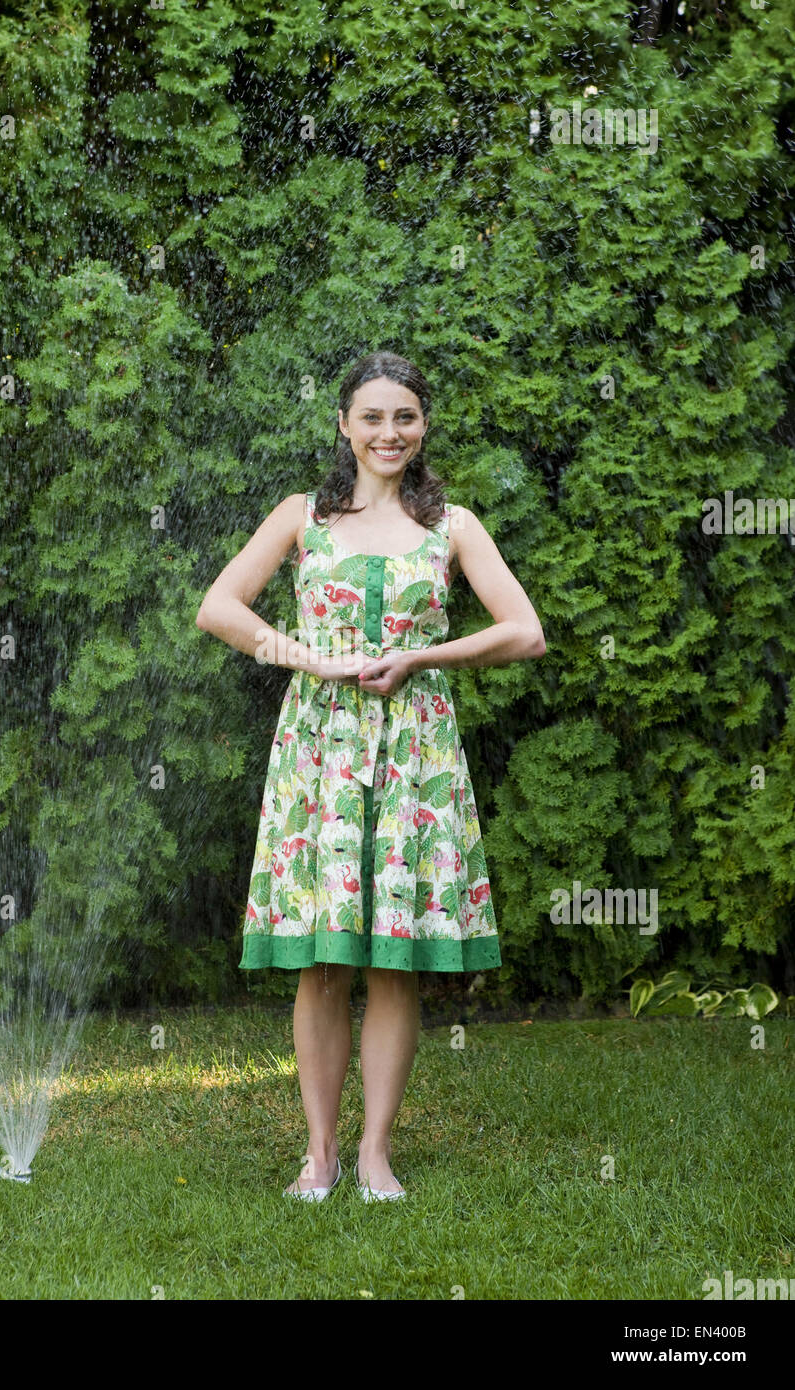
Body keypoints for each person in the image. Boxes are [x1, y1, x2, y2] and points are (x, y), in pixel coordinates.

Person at [195, 351, 545, 1202]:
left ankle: (375, 1153)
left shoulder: (453, 526)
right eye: (374, 417)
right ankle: (317, 1153)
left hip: (416, 750)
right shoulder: (301, 517)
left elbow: (524, 631)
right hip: (320, 750)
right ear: (343, 426)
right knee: (322, 961)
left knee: (394, 957)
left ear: (423, 428)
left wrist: (424, 654)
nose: (390, 433)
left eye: (406, 417)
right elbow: (221, 609)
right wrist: (310, 660)